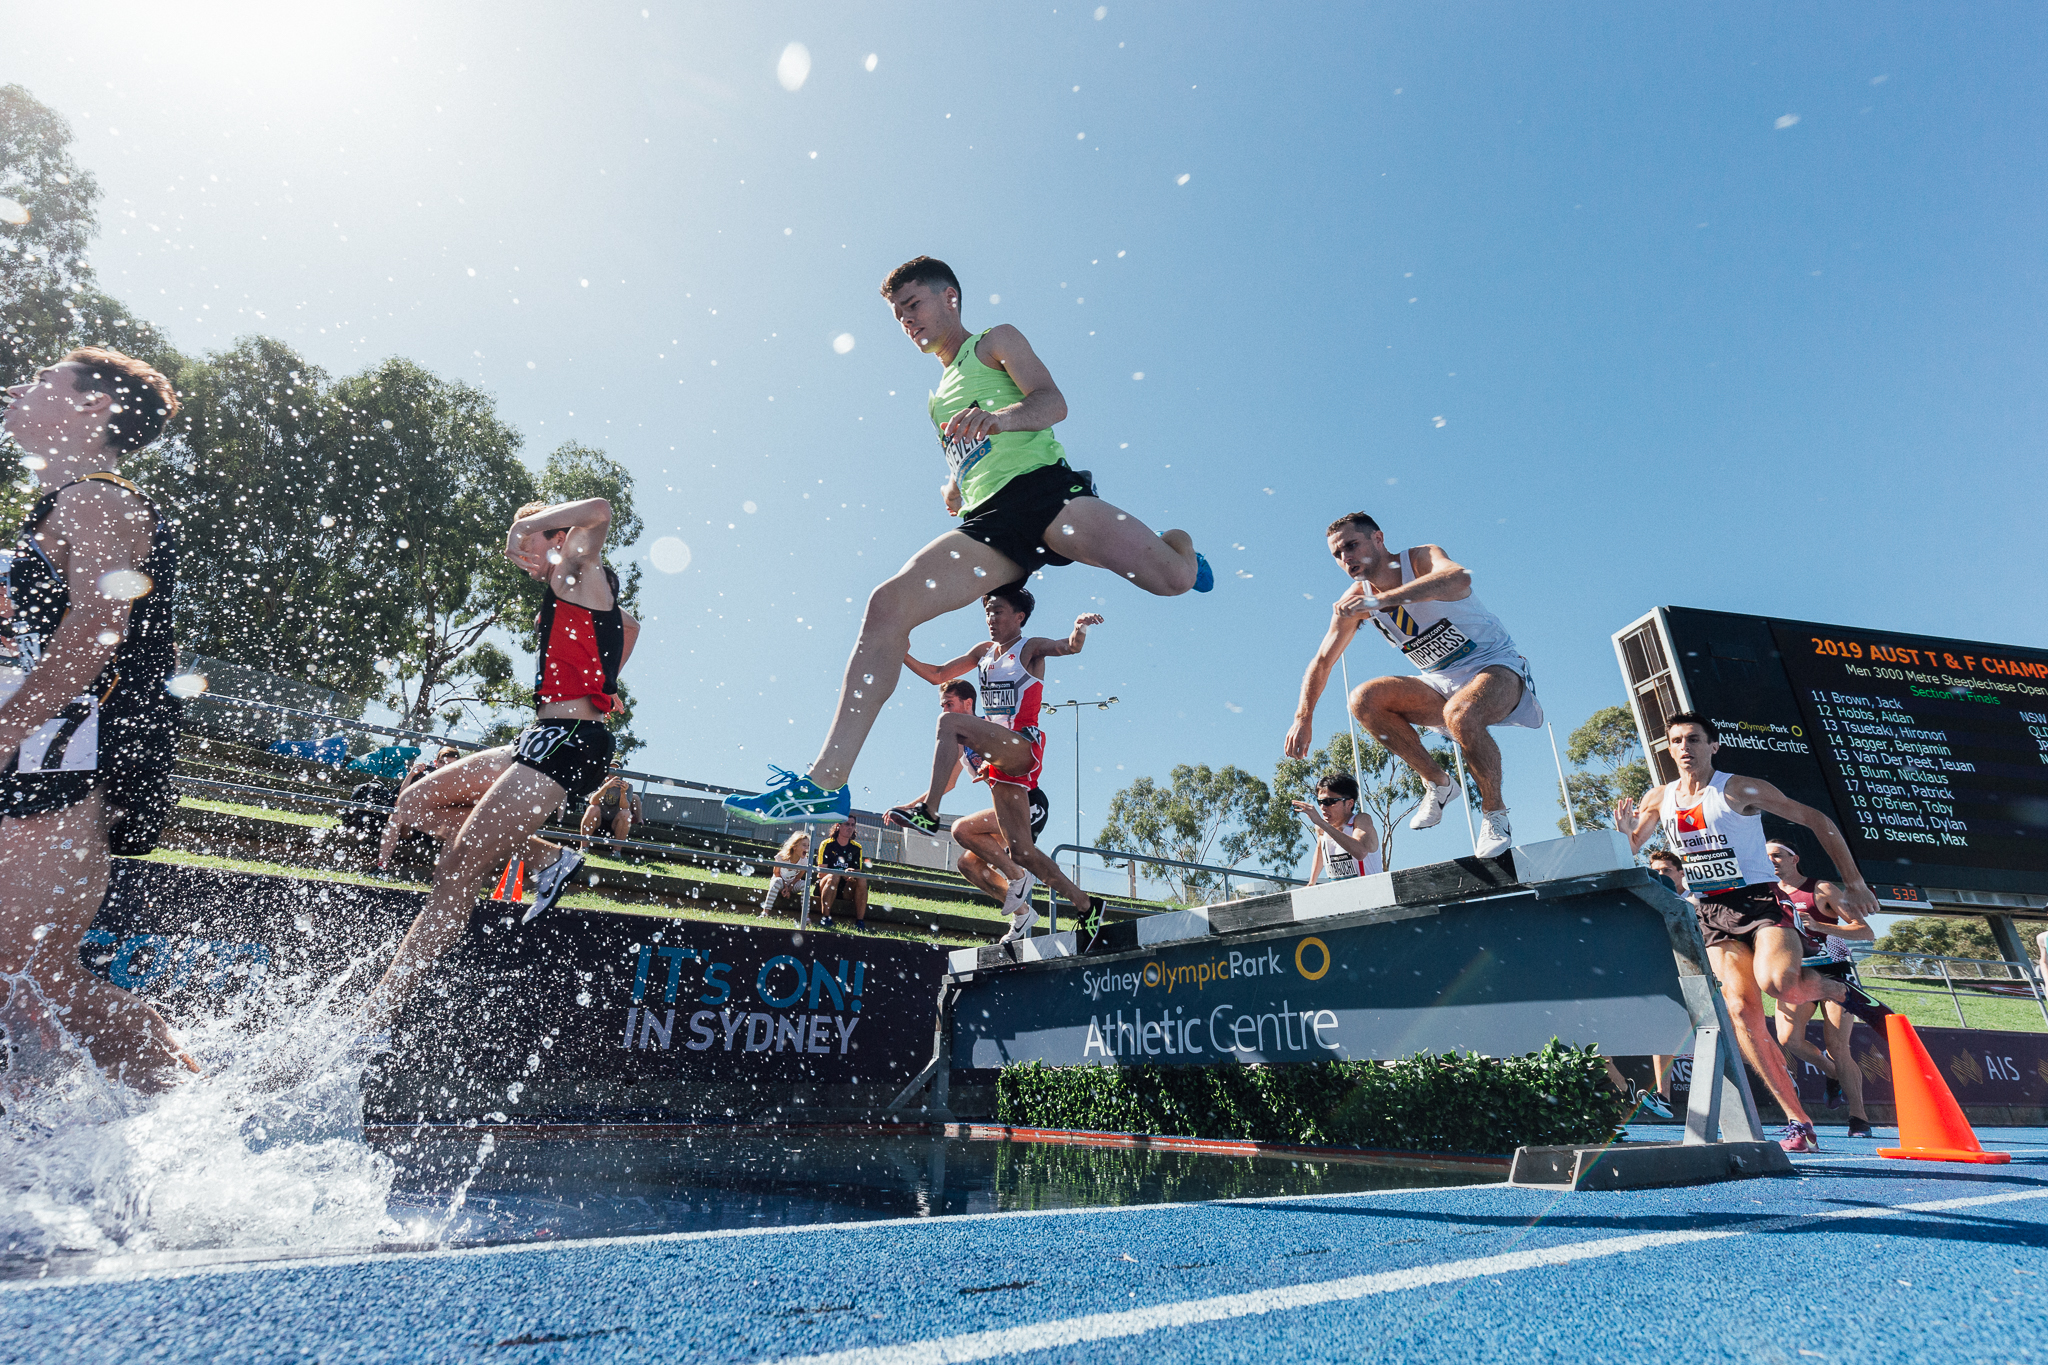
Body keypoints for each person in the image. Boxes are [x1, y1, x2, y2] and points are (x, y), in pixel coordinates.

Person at [723, 256, 1211, 827]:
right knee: (885, 606)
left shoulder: (995, 340)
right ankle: (824, 783)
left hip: (1050, 499)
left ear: (949, 297)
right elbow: (972, 454)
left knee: (1172, 580)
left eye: (913, 305)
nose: (906, 321)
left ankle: (1182, 546)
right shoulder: (935, 400)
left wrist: (1000, 418)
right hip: (987, 526)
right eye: (897, 315)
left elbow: (1053, 402)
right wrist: (956, 485)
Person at [364, 497, 637, 1035]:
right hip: (541, 734)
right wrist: (605, 678)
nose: (519, 557)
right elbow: (628, 626)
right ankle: (548, 860)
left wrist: (529, 527)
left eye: (526, 545)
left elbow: (601, 510)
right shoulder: (572, 588)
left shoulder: (577, 570)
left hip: (570, 737)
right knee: (414, 802)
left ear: (555, 535)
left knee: (456, 871)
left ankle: (373, 1017)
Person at [0, 348, 194, 1091]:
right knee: (19, 973)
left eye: (46, 377)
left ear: (89, 407)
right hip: (43, 752)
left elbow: (97, 630)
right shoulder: (62, 506)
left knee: (27, 968)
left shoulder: (100, 498)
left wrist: (7, 729)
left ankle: (187, 1114)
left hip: (64, 760)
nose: (20, 384)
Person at [1615, 711, 1892, 1153]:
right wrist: (1626, 834)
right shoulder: (1658, 798)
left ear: (1713, 746)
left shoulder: (1738, 788)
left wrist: (1854, 881)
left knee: (1778, 983)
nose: (1684, 748)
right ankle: (1798, 1121)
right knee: (1742, 1013)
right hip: (1711, 911)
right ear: (1668, 749)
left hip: (1760, 902)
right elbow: (1632, 845)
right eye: (1676, 741)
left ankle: (1840, 990)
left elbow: (1818, 819)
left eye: (1693, 739)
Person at [1284, 513, 1542, 859]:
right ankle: (1438, 783)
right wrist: (1304, 716)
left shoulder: (1419, 559)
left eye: (1351, 545)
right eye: (1337, 554)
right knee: (1363, 700)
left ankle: (1495, 815)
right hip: (1439, 682)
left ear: (1378, 539)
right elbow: (1323, 660)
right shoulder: (1355, 600)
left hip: (1496, 668)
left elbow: (1457, 576)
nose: (1345, 558)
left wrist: (1382, 601)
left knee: (1460, 713)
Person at [885, 586, 1102, 946]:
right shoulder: (982, 653)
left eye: (998, 611)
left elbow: (1070, 646)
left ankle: (930, 812)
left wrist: (1079, 627)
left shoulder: (1029, 648)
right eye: (987, 612)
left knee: (948, 723)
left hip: (1022, 746)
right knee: (1022, 853)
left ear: (1018, 617)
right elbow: (938, 673)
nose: (991, 618)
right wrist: (902, 654)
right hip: (999, 762)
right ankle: (1086, 905)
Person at [905, 679, 1049, 933]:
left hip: (1029, 804)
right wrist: (913, 806)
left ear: (968, 703)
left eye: (949, 704)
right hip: (1005, 809)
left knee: (961, 829)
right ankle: (1023, 914)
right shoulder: (959, 743)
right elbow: (947, 784)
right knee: (968, 864)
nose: (944, 712)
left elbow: (1020, 757)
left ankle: (1019, 875)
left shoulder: (992, 726)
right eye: (942, 706)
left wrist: (994, 764)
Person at [1769, 840, 1878, 1139]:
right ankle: (1832, 1074)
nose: (1772, 861)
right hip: (1796, 975)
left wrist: (1819, 924)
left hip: (1835, 972)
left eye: (1777, 855)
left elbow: (1864, 930)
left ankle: (1859, 1118)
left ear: (1795, 858)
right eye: (1766, 857)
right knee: (1789, 1039)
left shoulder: (1821, 889)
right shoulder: (1768, 895)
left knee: (1838, 1046)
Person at [1292, 772, 1382, 884]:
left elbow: (1360, 852)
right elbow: (1320, 851)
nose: (1323, 807)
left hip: (1373, 894)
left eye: (1329, 802)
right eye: (1320, 802)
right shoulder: (1321, 828)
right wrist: (1311, 883)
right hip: (1342, 896)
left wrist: (1321, 822)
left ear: (1349, 803)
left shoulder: (1361, 820)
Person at [813, 819, 868, 930]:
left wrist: (852, 874)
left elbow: (858, 872)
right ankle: (826, 918)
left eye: (853, 825)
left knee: (862, 879)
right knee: (834, 875)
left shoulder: (857, 848)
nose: (850, 827)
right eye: (847, 824)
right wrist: (841, 873)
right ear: (838, 826)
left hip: (846, 888)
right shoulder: (827, 844)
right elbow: (821, 873)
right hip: (827, 885)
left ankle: (860, 922)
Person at [581, 762, 641, 854]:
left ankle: (616, 852)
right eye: (610, 770)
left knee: (626, 814)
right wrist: (605, 787)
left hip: (615, 823)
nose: (612, 774)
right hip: (598, 820)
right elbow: (593, 801)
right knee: (592, 808)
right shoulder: (598, 782)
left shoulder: (627, 786)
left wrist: (622, 792)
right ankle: (584, 848)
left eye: (615, 771)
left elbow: (624, 807)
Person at [759, 829, 812, 915]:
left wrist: (789, 889)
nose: (807, 848)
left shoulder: (804, 861)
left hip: (792, 884)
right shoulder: (781, 857)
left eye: (808, 845)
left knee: (805, 885)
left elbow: (798, 877)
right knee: (776, 881)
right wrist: (784, 886)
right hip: (780, 882)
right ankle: (765, 912)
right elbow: (776, 873)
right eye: (804, 845)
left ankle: (806, 916)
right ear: (794, 847)